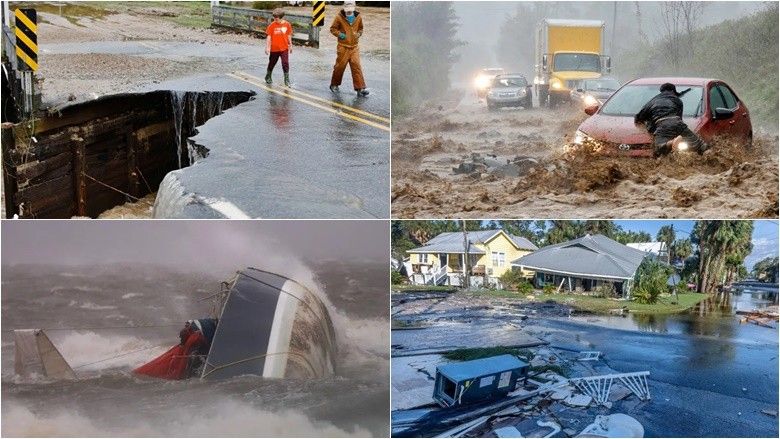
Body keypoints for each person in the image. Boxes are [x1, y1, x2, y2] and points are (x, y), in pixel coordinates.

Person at [634, 83, 709, 157]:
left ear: (661, 91)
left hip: (662, 125)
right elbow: (679, 118)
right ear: (673, 91)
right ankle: (710, 155)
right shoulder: (678, 100)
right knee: (700, 144)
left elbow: (638, 118)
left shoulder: (651, 102)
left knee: (658, 149)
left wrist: (647, 129)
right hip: (678, 124)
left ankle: (671, 143)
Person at [329, 0, 369, 96]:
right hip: (343, 47)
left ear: (354, 7)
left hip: (354, 47)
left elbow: (361, 29)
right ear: (344, 7)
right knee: (340, 67)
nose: (349, 11)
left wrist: (358, 34)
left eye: (350, 9)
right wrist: (341, 35)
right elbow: (333, 29)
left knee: (356, 66)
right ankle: (334, 85)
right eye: (347, 9)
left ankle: (360, 88)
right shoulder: (339, 17)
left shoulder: (358, 17)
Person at [265, 8, 293, 87]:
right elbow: (269, 37)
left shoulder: (287, 24)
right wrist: (267, 47)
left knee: (285, 63)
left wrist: (290, 45)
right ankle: (268, 76)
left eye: (276, 18)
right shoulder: (272, 25)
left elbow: (289, 35)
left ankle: (287, 80)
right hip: (274, 49)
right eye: (274, 17)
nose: (275, 19)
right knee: (272, 63)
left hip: (284, 48)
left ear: (281, 17)